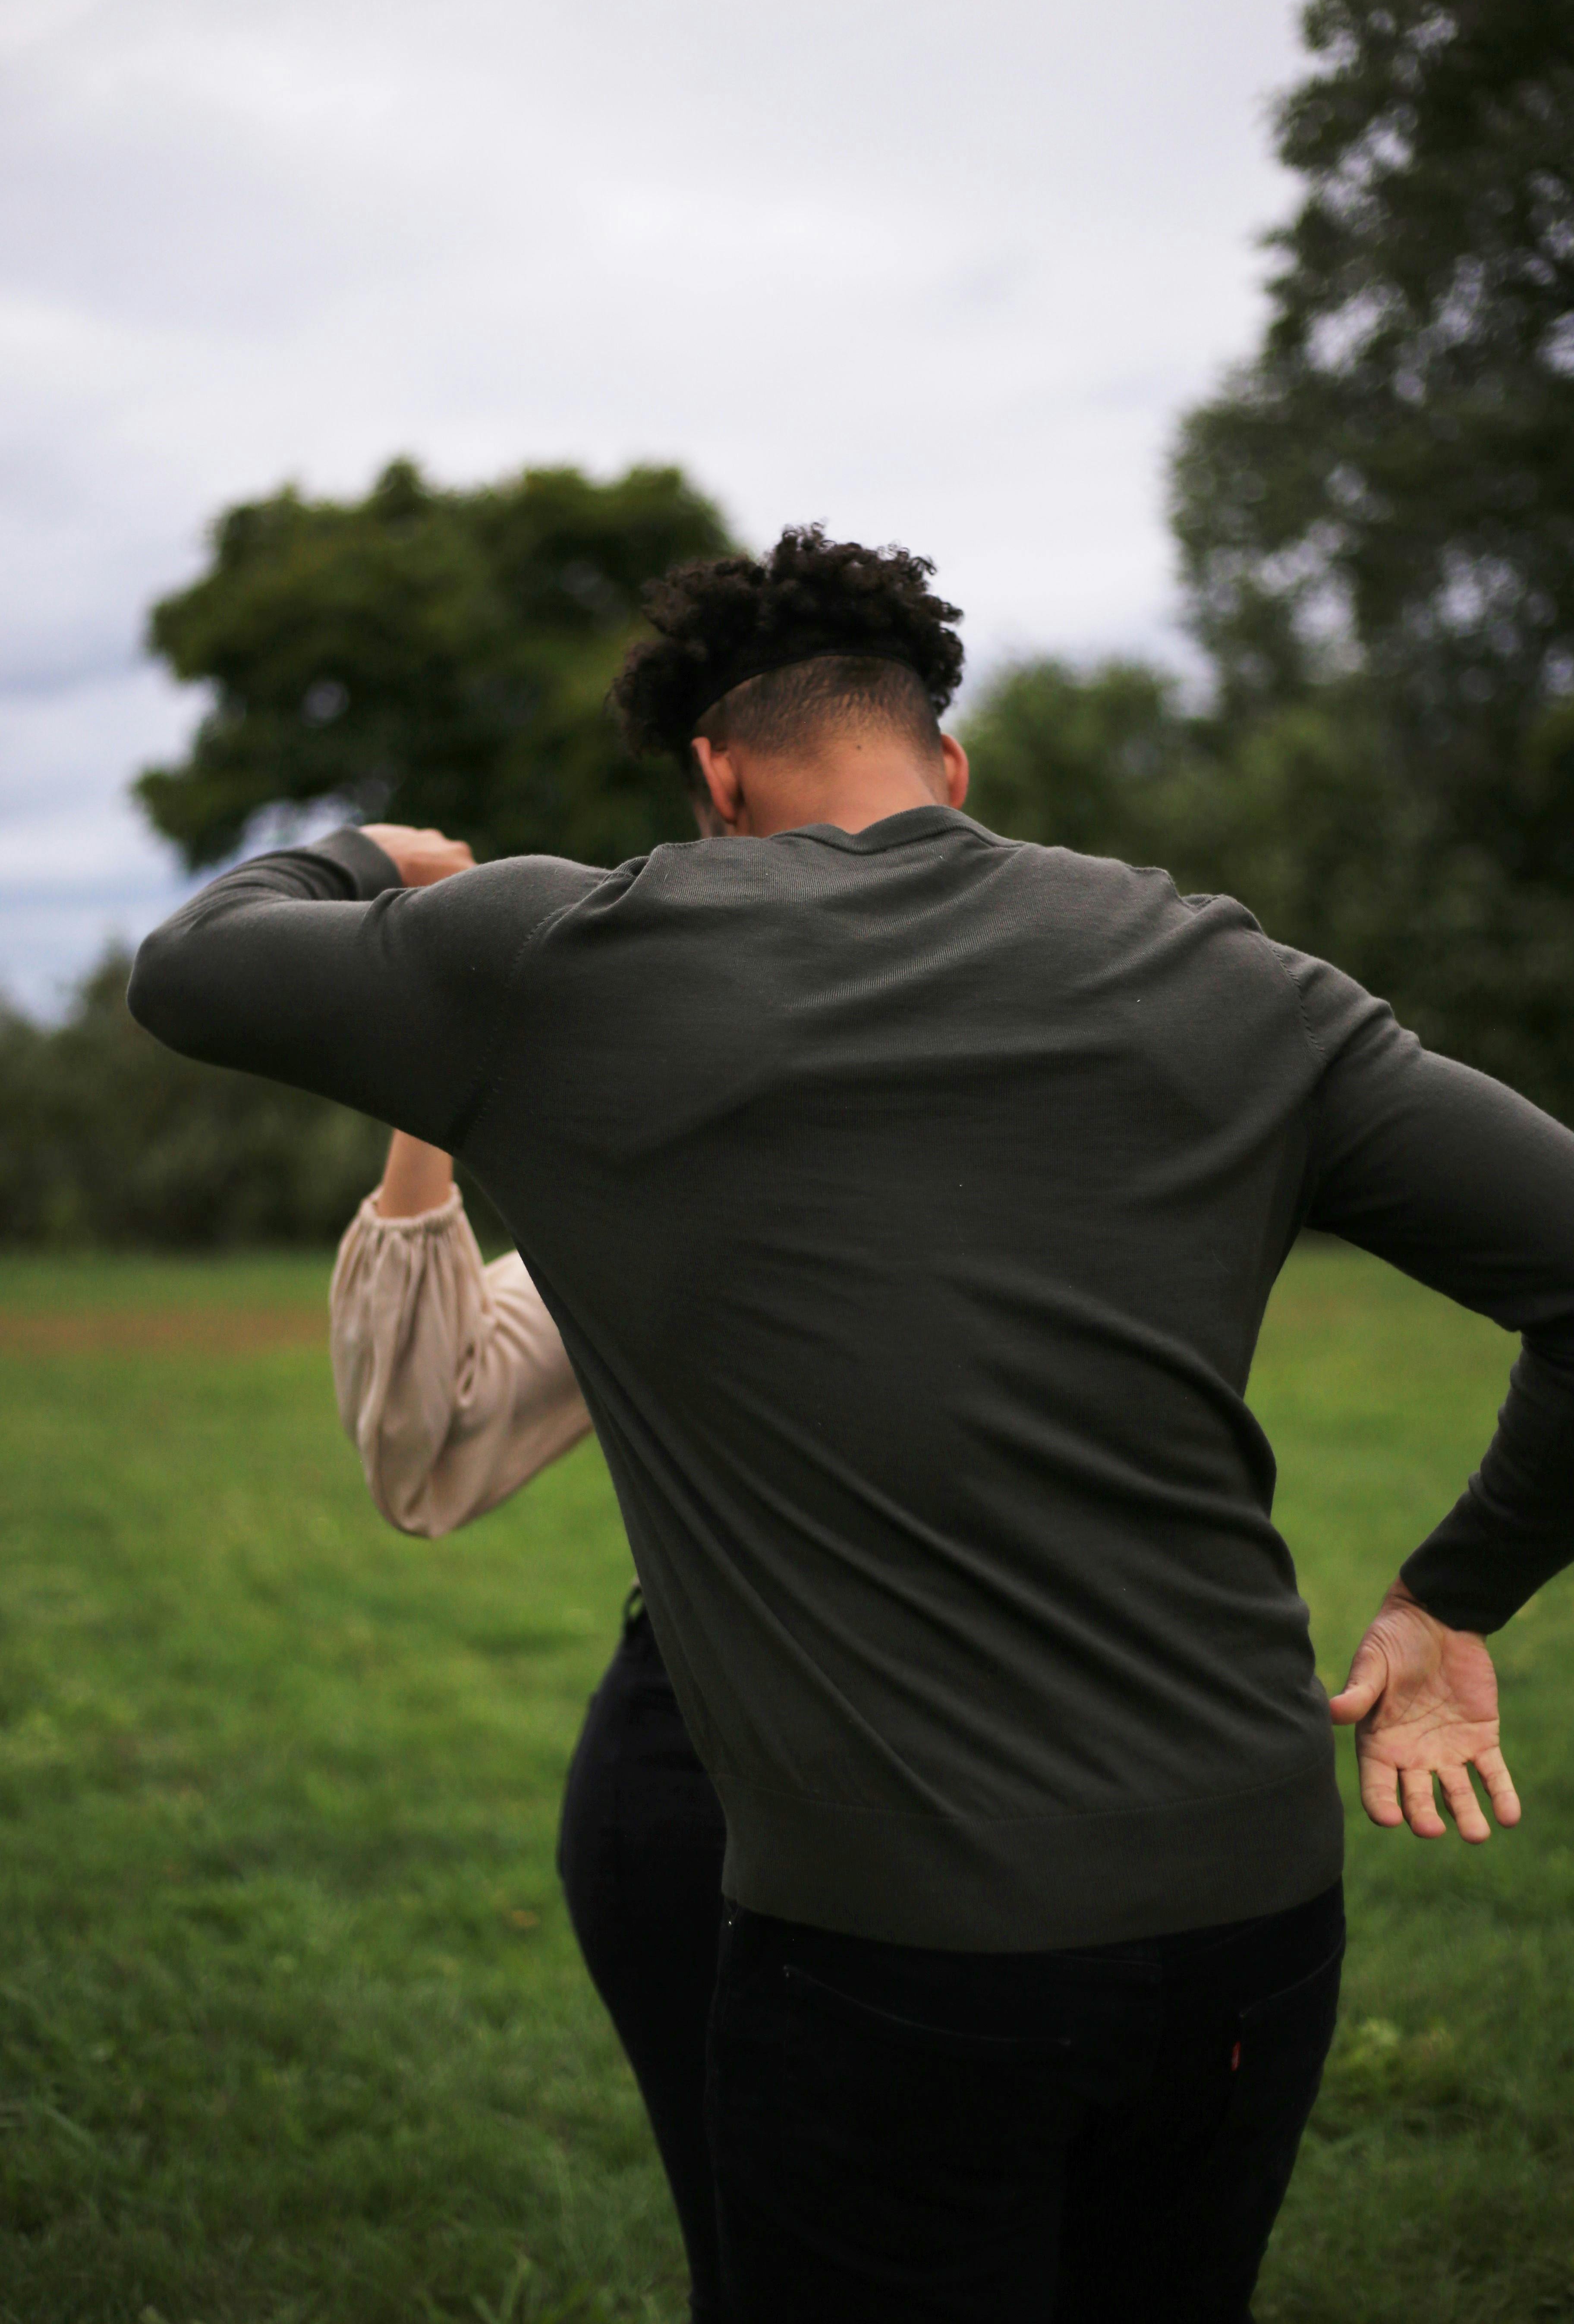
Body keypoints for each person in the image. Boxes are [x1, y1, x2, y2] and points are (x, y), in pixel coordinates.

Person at [129, 525, 1574, 2323]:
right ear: (946, 762)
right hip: (1251, 1915)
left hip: (886, 1946)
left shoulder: (567, 952)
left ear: (715, 776)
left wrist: (375, 861)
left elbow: (193, 965)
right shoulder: (1236, 975)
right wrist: (1452, 1599)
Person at [330, 1123, 728, 2321]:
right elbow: (430, 1428)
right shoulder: (695, 1175)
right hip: (718, 1795)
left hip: (1072, 1785)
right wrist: (436, 1060)